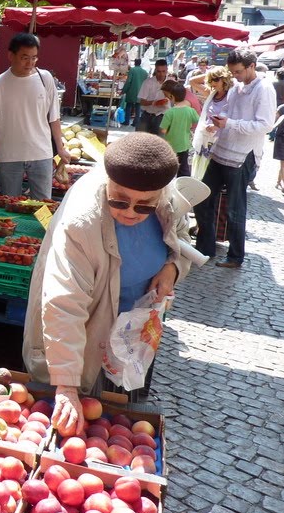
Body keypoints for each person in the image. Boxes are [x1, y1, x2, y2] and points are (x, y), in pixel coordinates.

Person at [23, 133, 194, 430]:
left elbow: (181, 238)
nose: (130, 212)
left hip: (133, 328)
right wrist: (65, 386)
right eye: (121, 200)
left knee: (118, 413)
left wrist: (173, 268)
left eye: (144, 205)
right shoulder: (82, 222)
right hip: (85, 333)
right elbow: (64, 303)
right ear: (107, 183)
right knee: (83, 412)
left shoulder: (166, 199)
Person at [193, 49, 274, 269]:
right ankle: (205, 248)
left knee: (235, 208)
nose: (235, 75)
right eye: (232, 71)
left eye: (238, 71)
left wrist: (229, 123)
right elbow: (229, 112)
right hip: (222, 150)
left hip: (243, 156)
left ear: (251, 67)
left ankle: (236, 256)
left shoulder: (264, 89)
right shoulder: (237, 86)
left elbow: (265, 125)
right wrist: (216, 123)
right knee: (202, 198)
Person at [0, 32, 70, 200]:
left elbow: (54, 118)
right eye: (25, 57)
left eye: (34, 58)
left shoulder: (45, 78)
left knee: (43, 206)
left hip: (42, 153)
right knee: (11, 206)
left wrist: (60, 148)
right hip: (9, 156)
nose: (30, 63)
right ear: (10, 55)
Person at [159, 80, 199, 177]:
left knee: (168, 167)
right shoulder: (190, 110)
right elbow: (197, 120)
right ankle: (183, 186)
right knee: (183, 167)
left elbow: (163, 130)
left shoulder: (169, 112)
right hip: (185, 144)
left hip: (171, 144)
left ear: (172, 96)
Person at [137, 59, 170, 134]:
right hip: (147, 115)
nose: (161, 74)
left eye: (163, 71)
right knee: (140, 139)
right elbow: (142, 102)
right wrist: (154, 103)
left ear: (167, 70)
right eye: (159, 71)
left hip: (163, 116)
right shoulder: (148, 82)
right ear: (155, 70)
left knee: (159, 142)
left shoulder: (170, 83)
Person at [120, 58, 148, 126]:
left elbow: (128, 81)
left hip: (131, 91)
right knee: (138, 107)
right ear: (140, 63)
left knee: (128, 107)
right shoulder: (145, 72)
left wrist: (123, 91)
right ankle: (136, 122)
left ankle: (126, 121)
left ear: (135, 62)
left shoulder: (132, 70)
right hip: (141, 92)